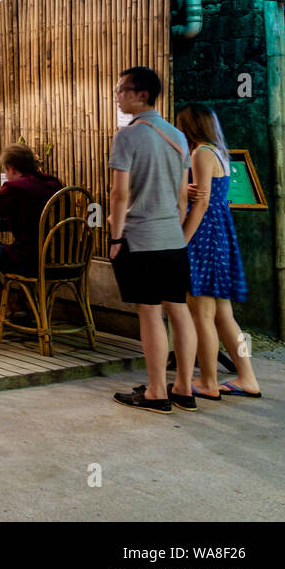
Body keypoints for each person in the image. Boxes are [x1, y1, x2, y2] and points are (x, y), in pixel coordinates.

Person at [108, 66, 197, 413]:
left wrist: (115, 238)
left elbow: (119, 194)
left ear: (141, 94)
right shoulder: (177, 136)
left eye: (121, 90)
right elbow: (182, 197)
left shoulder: (127, 137)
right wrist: (173, 228)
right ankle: (184, 388)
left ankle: (157, 391)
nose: (118, 97)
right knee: (180, 311)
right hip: (173, 240)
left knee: (150, 314)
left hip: (141, 239)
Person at [175, 104, 261, 400]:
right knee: (224, 314)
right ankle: (247, 376)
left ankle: (209, 382)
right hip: (221, 234)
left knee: (202, 313)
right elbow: (205, 192)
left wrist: (183, 240)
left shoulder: (201, 153)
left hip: (204, 235)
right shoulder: (219, 151)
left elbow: (201, 202)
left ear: (190, 126)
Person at [0, 145, 64, 297]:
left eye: (6, 171)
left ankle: (8, 302)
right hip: (60, 257)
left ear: (12, 168)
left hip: (30, 259)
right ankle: (24, 302)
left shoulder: (14, 188)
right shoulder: (53, 182)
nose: (6, 175)